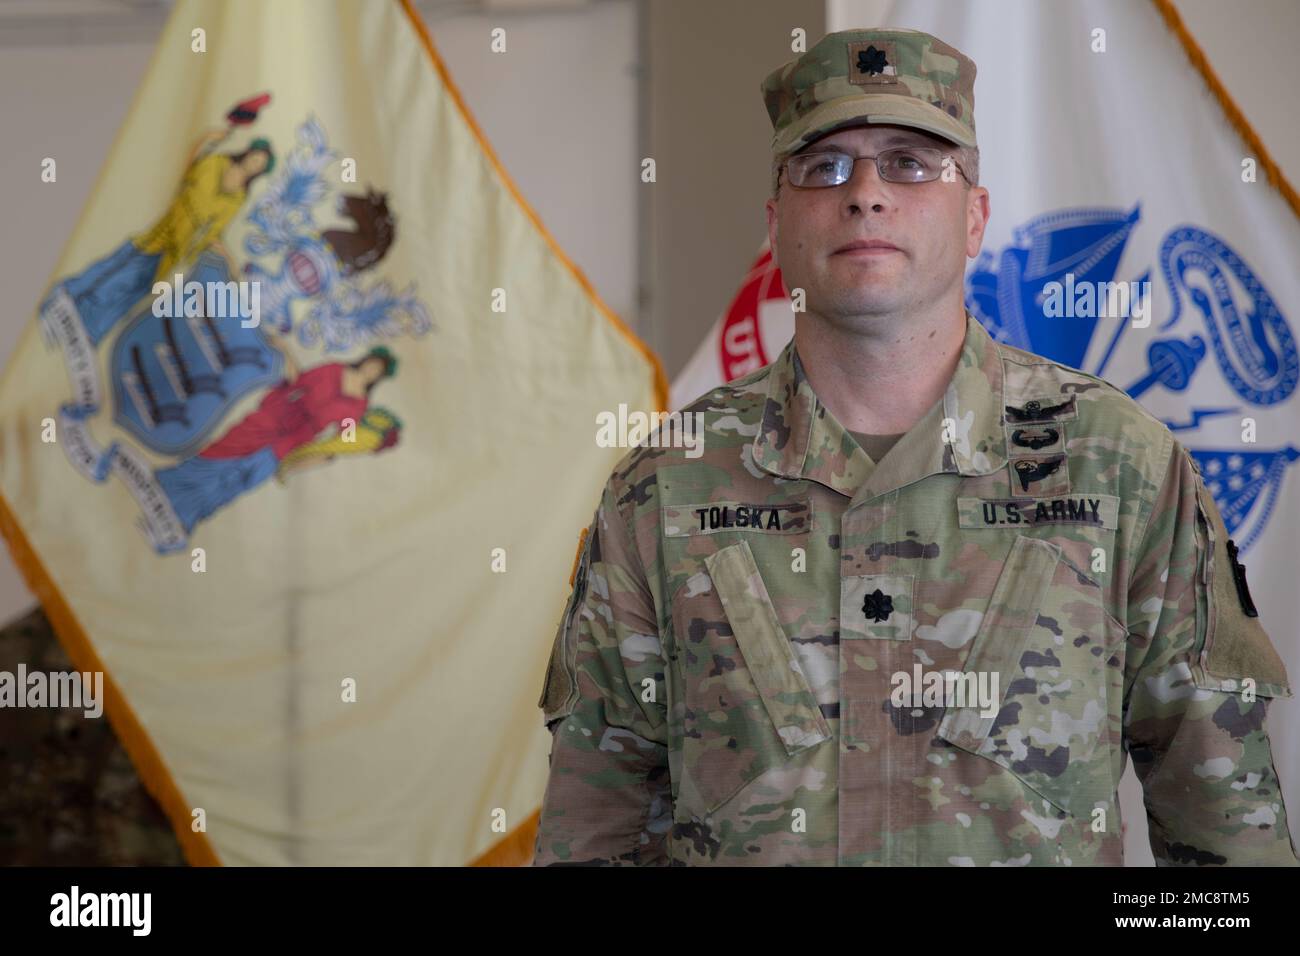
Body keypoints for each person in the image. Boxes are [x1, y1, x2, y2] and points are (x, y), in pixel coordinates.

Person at [532, 27, 1297, 866]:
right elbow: (595, 830)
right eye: (823, 166)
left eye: (910, 161)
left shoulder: (1121, 465)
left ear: (975, 217)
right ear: (777, 222)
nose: (866, 193)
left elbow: (1226, 840)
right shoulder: (668, 482)